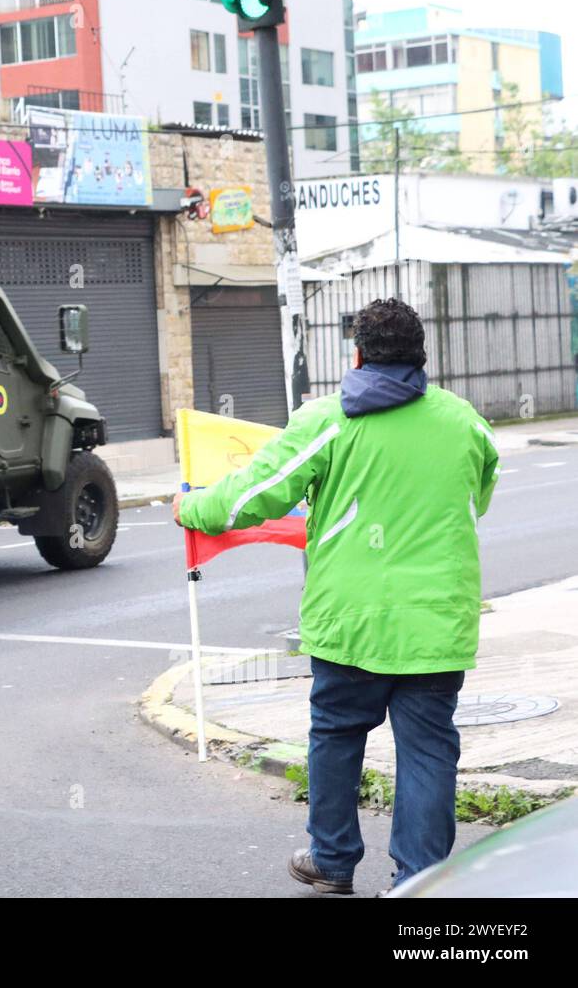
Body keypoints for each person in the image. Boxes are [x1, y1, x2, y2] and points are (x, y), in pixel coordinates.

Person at [172, 298, 499, 894]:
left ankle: (332, 859)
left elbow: (252, 497)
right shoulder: (464, 421)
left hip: (350, 622)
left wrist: (189, 506)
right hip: (436, 626)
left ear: (357, 354)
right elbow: (481, 493)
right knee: (427, 752)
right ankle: (419, 884)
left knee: (337, 735)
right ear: (421, 355)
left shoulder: (327, 420)